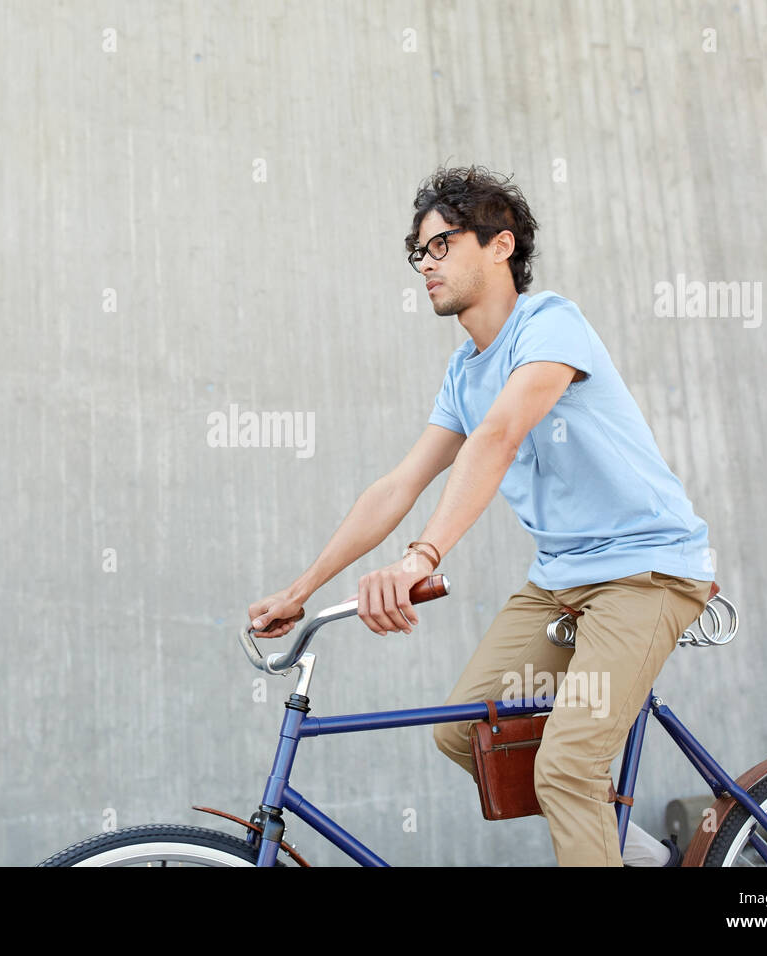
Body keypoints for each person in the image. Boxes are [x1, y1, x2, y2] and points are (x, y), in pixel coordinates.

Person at [246, 164, 715, 867]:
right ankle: (638, 858)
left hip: (646, 573)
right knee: (466, 729)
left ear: (501, 246)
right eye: (419, 252)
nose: (426, 265)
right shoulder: (465, 371)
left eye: (443, 245)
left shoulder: (551, 324)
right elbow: (397, 485)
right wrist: (301, 589)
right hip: (561, 580)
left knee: (566, 769)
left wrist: (421, 557)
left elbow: (499, 438)